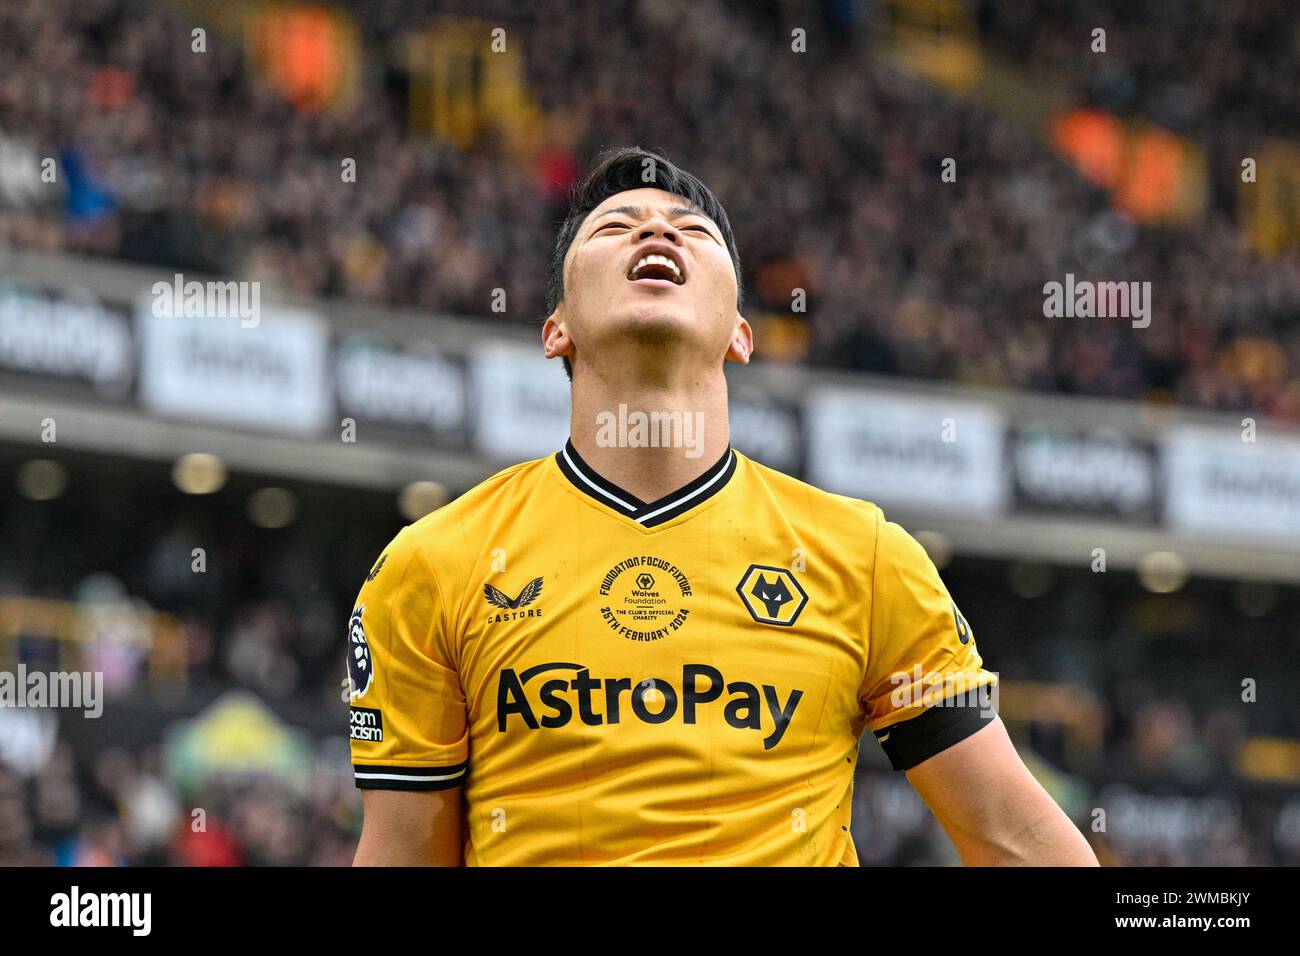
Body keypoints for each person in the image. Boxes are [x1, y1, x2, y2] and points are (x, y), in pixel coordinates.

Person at [349, 147, 1098, 866]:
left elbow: (1019, 842)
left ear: (742, 333)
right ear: (556, 330)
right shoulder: (433, 565)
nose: (655, 230)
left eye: (692, 230)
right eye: (615, 226)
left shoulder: (868, 560)